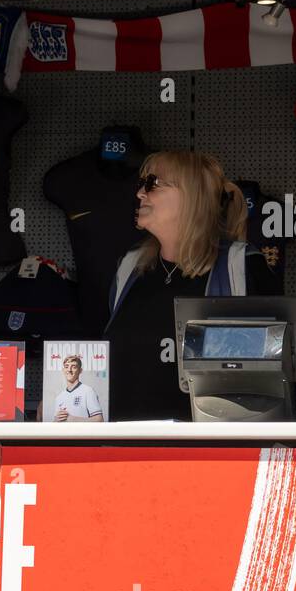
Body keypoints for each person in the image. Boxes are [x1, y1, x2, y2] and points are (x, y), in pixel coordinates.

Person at [106, 150, 276, 422]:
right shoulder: (129, 268)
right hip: (126, 450)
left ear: (191, 196)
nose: (140, 193)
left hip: (207, 453)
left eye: (153, 184)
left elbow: (271, 377)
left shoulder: (240, 266)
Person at [51, 355, 102, 422]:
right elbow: (55, 423)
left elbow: (99, 420)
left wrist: (73, 419)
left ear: (80, 371)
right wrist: (56, 420)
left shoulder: (88, 391)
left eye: (74, 367)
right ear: (63, 370)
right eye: (66, 367)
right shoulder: (59, 397)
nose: (69, 370)